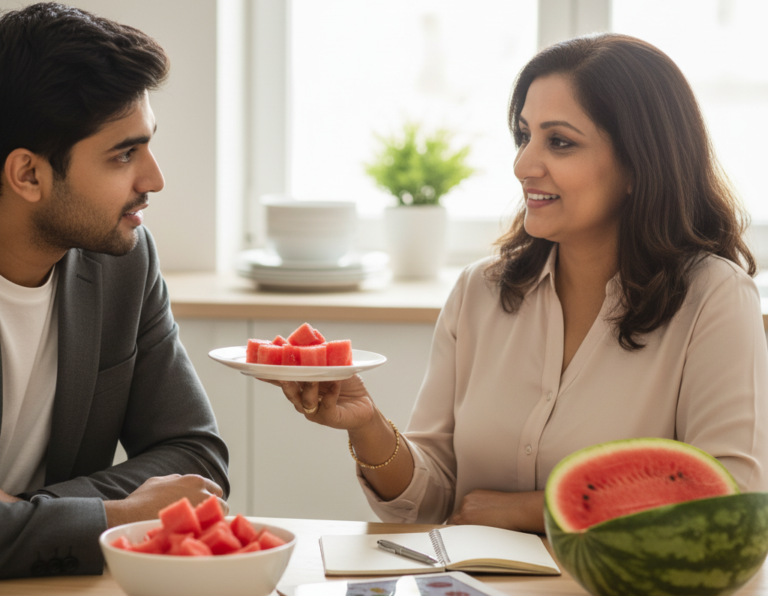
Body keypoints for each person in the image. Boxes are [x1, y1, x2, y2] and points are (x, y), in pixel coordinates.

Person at [271, 33, 768, 531]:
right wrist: (368, 426)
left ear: (639, 164)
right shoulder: (478, 292)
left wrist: (533, 510)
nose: (523, 166)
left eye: (560, 142)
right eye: (523, 135)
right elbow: (432, 500)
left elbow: (730, 501)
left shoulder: (714, 299)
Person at [0, 3, 229, 579]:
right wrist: (111, 515)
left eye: (147, 145)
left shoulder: (122, 262)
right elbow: (149, 502)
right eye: (124, 154)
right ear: (28, 174)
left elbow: (195, 456)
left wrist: (25, 517)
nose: (153, 179)